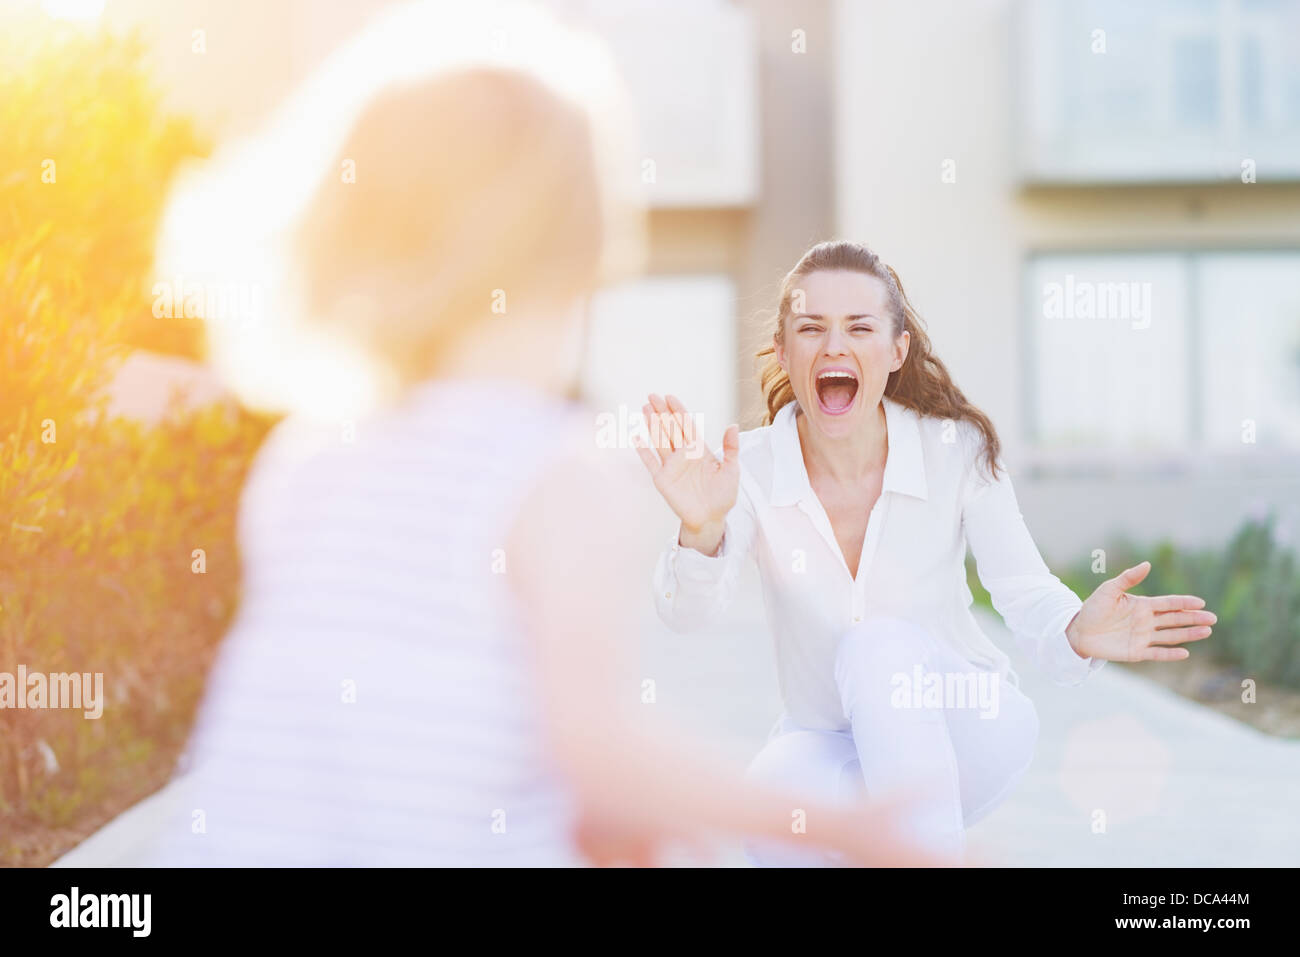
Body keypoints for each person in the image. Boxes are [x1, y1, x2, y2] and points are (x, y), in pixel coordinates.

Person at [134, 2, 947, 867]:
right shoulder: (552, 471)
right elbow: (596, 749)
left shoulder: (307, 457)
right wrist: (831, 826)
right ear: (580, 249)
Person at [637, 239, 1217, 865]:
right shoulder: (747, 467)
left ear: (896, 350)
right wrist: (700, 526)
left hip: (965, 724)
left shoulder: (955, 449)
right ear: (784, 351)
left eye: (860, 327)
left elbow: (1023, 589)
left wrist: (1075, 628)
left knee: (878, 647)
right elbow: (688, 615)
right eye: (812, 329)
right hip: (830, 737)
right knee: (775, 818)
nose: (835, 346)